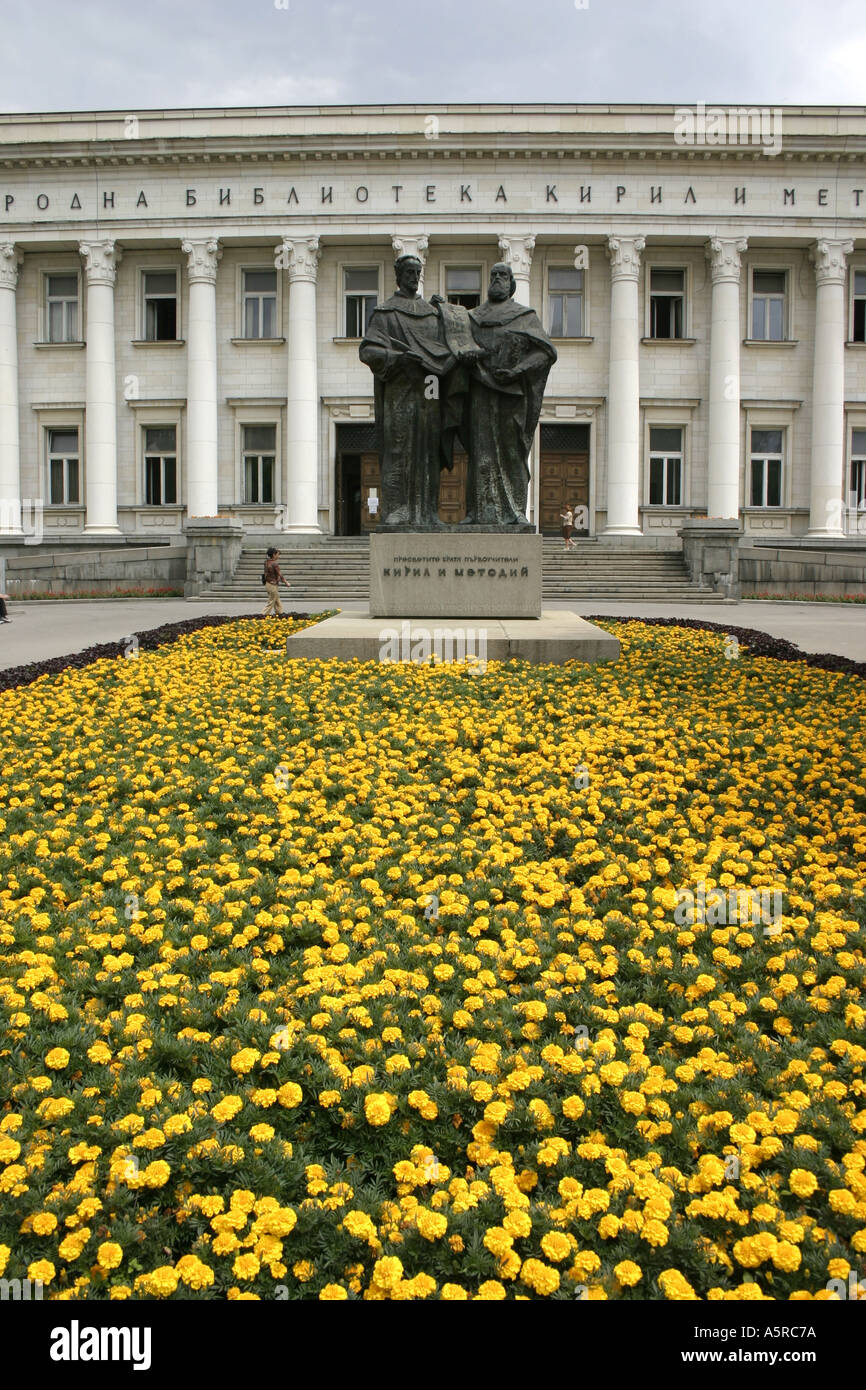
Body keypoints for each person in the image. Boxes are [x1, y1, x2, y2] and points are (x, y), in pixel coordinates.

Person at [359, 254, 458, 529]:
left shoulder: (431, 313)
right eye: (409, 272)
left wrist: (448, 315)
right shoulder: (385, 313)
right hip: (399, 392)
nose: (414, 277)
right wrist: (397, 358)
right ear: (398, 275)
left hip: (430, 391)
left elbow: (448, 346)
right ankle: (398, 509)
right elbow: (368, 350)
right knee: (398, 449)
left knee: (427, 451)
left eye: (418, 272)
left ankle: (427, 512)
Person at [460, 264, 557, 527]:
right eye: (494, 276)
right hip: (480, 391)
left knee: (513, 452)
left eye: (503, 276)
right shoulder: (472, 317)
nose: (497, 280)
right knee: (480, 452)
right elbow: (457, 345)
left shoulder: (524, 316)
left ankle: (516, 511)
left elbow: (546, 353)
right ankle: (476, 512)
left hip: (511, 394)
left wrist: (517, 370)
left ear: (512, 284)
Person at [262, 546, 290, 617]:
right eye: (278, 554)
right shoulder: (274, 564)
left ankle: (279, 613)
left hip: (267, 583)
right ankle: (263, 615)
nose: (279, 556)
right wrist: (286, 582)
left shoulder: (266, 562)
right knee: (271, 601)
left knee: (277, 600)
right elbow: (280, 574)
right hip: (272, 584)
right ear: (274, 555)